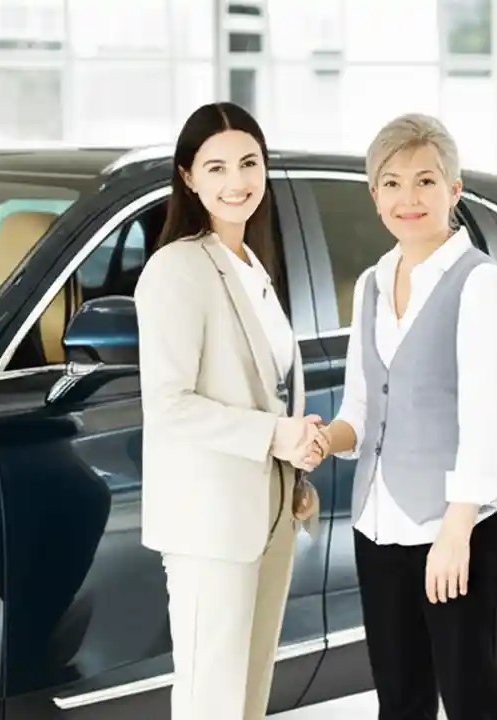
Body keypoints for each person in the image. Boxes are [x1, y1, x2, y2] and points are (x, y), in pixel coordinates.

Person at [309, 113, 497, 720]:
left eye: (425, 181)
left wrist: (457, 533)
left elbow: (486, 422)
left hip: (451, 531)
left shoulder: (483, 285)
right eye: (392, 183)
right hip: (376, 525)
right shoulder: (373, 283)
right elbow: (361, 406)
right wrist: (324, 442)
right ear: (374, 195)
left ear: (454, 192)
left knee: (472, 696)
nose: (409, 198)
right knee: (399, 701)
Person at [134, 101, 323, 720]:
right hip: (209, 525)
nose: (236, 181)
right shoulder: (177, 268)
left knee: (247, 700)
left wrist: (290, 471)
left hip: (267, 514)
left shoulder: (251, 267)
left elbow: (268, 384)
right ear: (187, 177)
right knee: (210, 701)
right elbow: (168, 404)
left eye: (248, 163)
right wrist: (276, 436)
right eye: (215, 168)